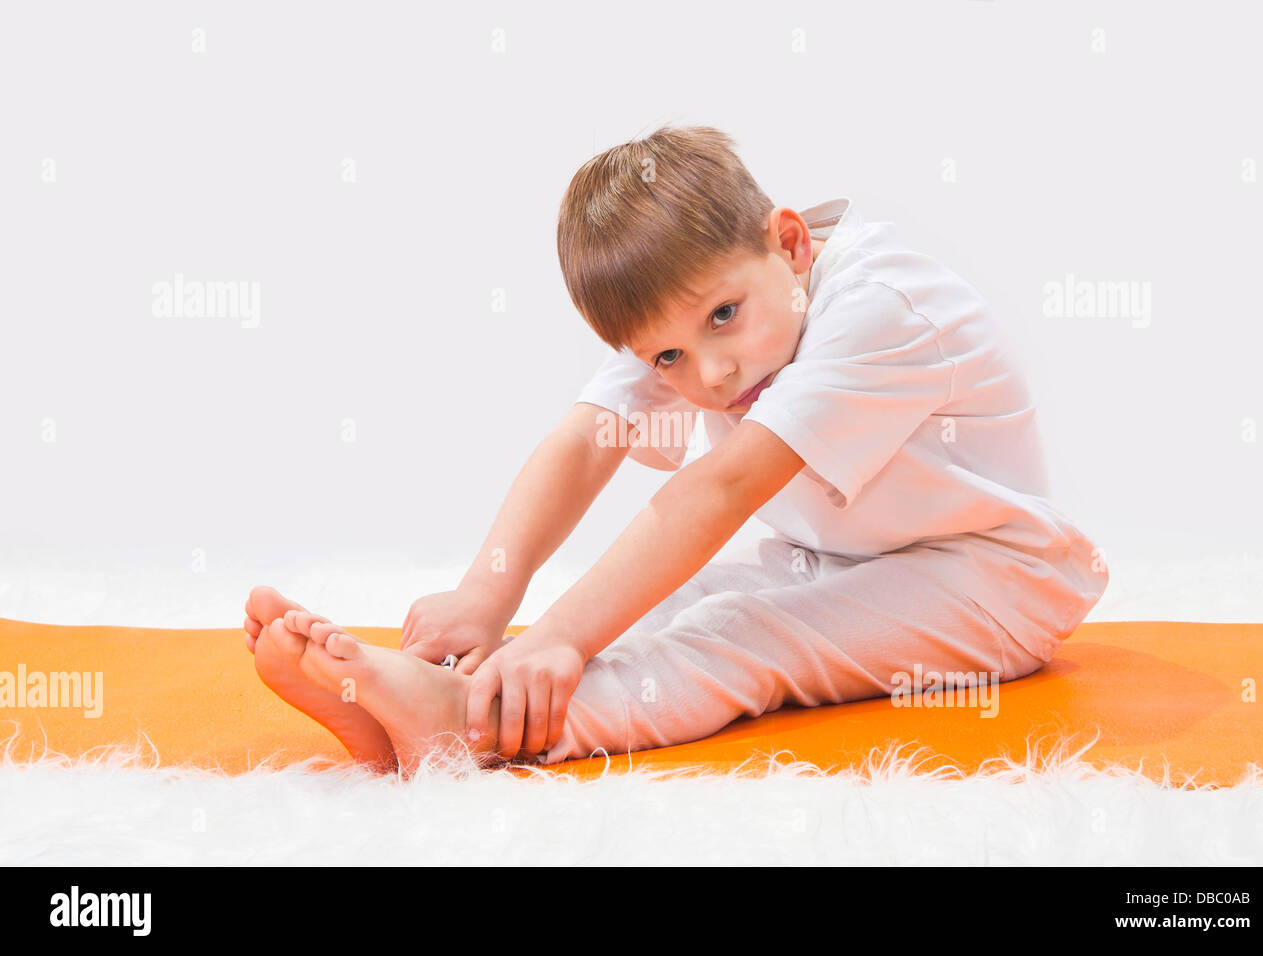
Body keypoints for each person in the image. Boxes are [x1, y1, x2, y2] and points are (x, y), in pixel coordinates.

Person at [242, 124, 1109, 776]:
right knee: (670, 610)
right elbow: (588, 439)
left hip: (998, 578)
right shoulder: (705, 312)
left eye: (723, 318)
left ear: (791, 242)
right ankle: (429, 721)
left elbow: (720, 488)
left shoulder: (881, 306)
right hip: (833, 556)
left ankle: (463, 723)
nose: (714, 372)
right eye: (668, 359)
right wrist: (486, 594)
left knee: (747, 636)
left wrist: (554, 636)